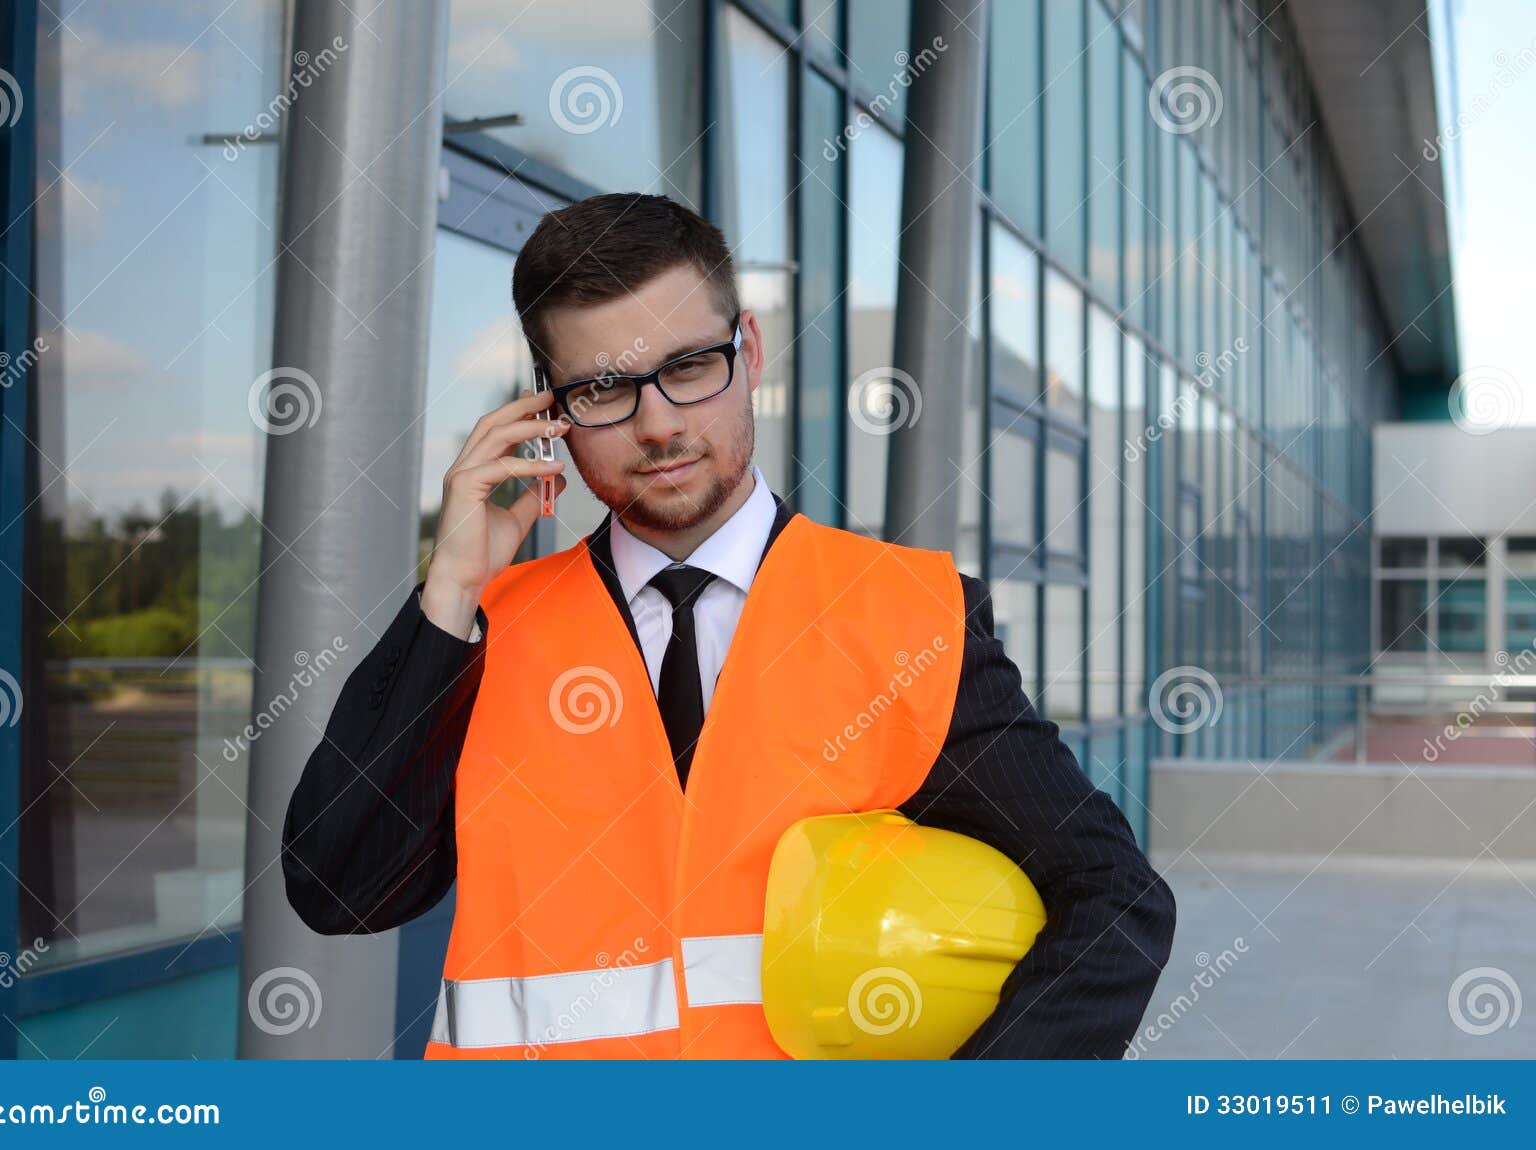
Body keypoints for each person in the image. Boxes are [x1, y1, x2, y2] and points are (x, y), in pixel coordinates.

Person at [281, 192, 1175, 1059]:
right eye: (604, 388)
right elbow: (339, 890)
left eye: (687, 367)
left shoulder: (906, 618)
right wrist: (449, 590)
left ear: (747, 349)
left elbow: (1112, 899)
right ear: (548, 406)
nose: (660, 424)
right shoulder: (485, 629)